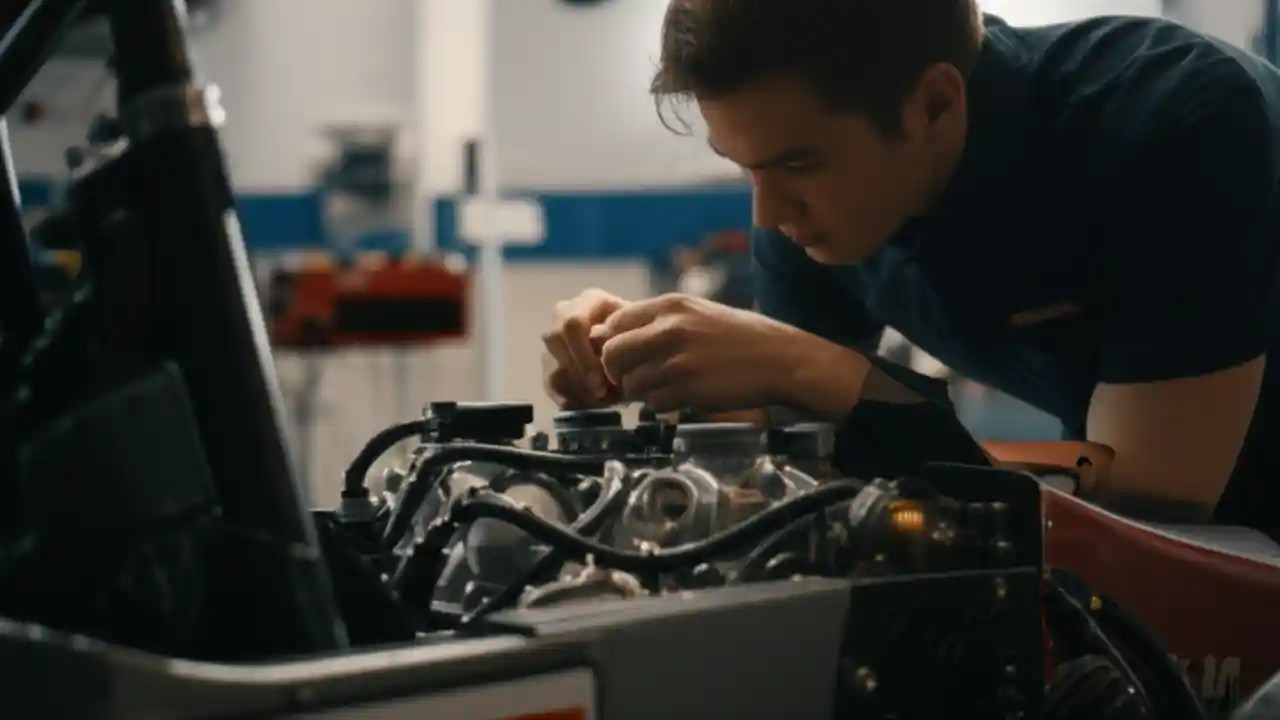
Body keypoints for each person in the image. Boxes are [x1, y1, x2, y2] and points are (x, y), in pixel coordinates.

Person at [541, 0, 1280, 537]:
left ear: (934, 105)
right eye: (745, 169)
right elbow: (773, 452)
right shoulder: (815, 205)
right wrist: (641, 360)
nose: (767, 215)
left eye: (798, 162)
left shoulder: (1170, 123)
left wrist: (816, 371)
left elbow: (1154, 508)